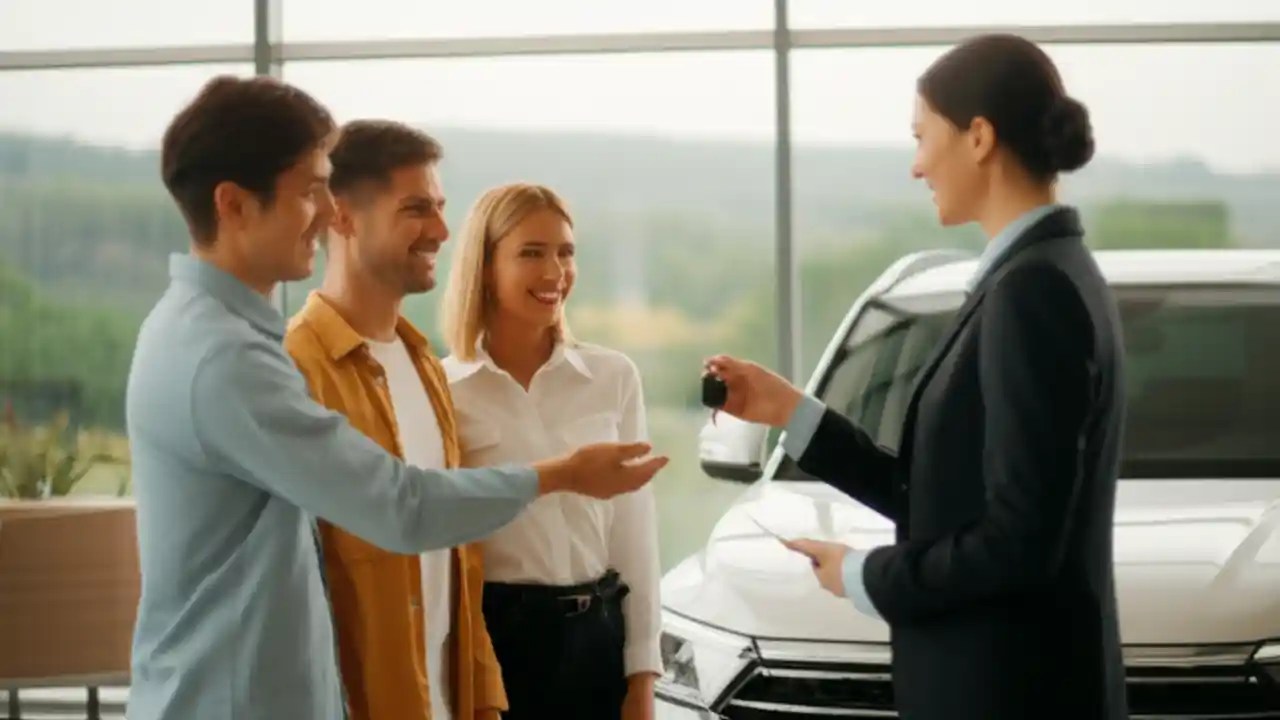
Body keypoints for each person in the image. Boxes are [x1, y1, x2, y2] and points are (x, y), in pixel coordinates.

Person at [125, 76, 667, 720]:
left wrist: (480, 692)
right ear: (235, 205)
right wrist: (564, 474)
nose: (326, 214)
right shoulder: (232, 361)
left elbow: (445, 570)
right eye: (310, 192)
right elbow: (398, 507)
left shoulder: (394, 360)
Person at [706, 34, 1127, 720]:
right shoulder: (1046, 274)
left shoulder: (1032, 292)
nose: (916, 165)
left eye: (922, 136)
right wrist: (792, 412)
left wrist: (865, 576)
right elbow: (946, 498)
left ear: (980, 136)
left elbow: (1019, 543)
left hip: (1009, 696)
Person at [284, 120, 504, 720]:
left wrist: (482, 698)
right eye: (416, 210)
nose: (441, 230)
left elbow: (461, 555)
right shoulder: (294, 372)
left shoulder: (425, 366)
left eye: (439, 207)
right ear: (341, 216)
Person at [440, 183, 662, 720]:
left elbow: (635, 536)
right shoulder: (445, 391)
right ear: (485, 266)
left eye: (565, 252)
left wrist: (643, 675)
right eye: (531, 253)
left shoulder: (613, 377)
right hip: (498, 642)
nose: (555, 272)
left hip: (598, 640)